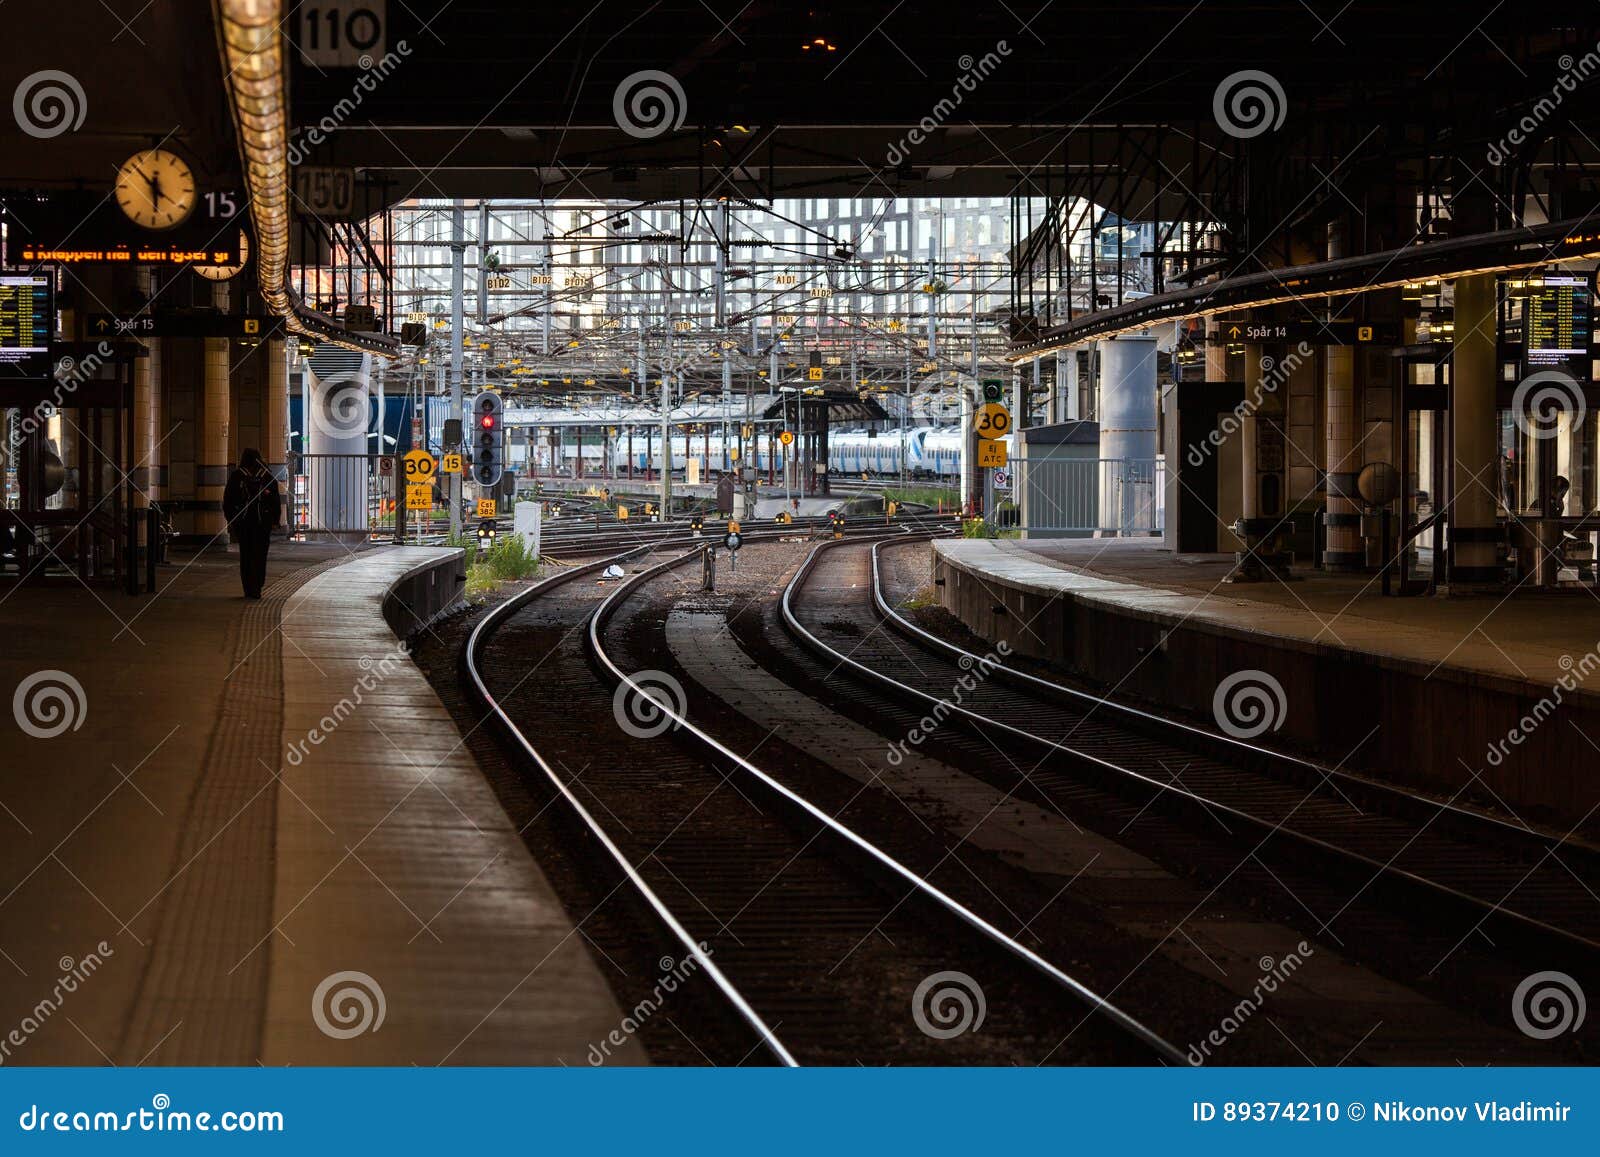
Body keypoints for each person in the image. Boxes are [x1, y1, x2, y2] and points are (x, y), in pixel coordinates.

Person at [222, 448, 282, 599]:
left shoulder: (237, 476)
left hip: (244, 524)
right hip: (263, 524)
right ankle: (258, 586)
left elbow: (228, 501)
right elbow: (275, 501)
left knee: (246, 556)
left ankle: (248, 588)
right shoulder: (267, 476)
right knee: (260, 555)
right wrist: (275, 520)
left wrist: (231, 520)